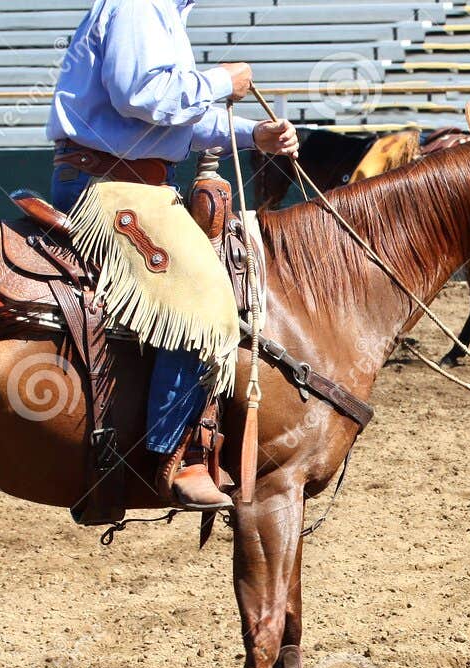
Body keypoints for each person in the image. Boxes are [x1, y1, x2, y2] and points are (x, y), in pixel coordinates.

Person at [47, 0, 299, 510]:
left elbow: (171, 122)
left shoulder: (163, 12)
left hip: (131, 178)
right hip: (110, 184)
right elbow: (141, 96)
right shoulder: (140, 5)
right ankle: (169, 455)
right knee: (202, 302)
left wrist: (254, 135)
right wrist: (221, 81)